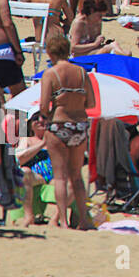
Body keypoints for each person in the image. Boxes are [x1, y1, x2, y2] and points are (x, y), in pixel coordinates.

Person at [37, 32, 94, 230]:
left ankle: (63, 221)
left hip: (58, 124)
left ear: (51, 53)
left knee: (60, 176)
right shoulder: (81, 73)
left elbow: (44, 107)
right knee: (77, 176)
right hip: (79, 124)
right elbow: (92, 102)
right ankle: (84, 221)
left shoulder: (50, 74)